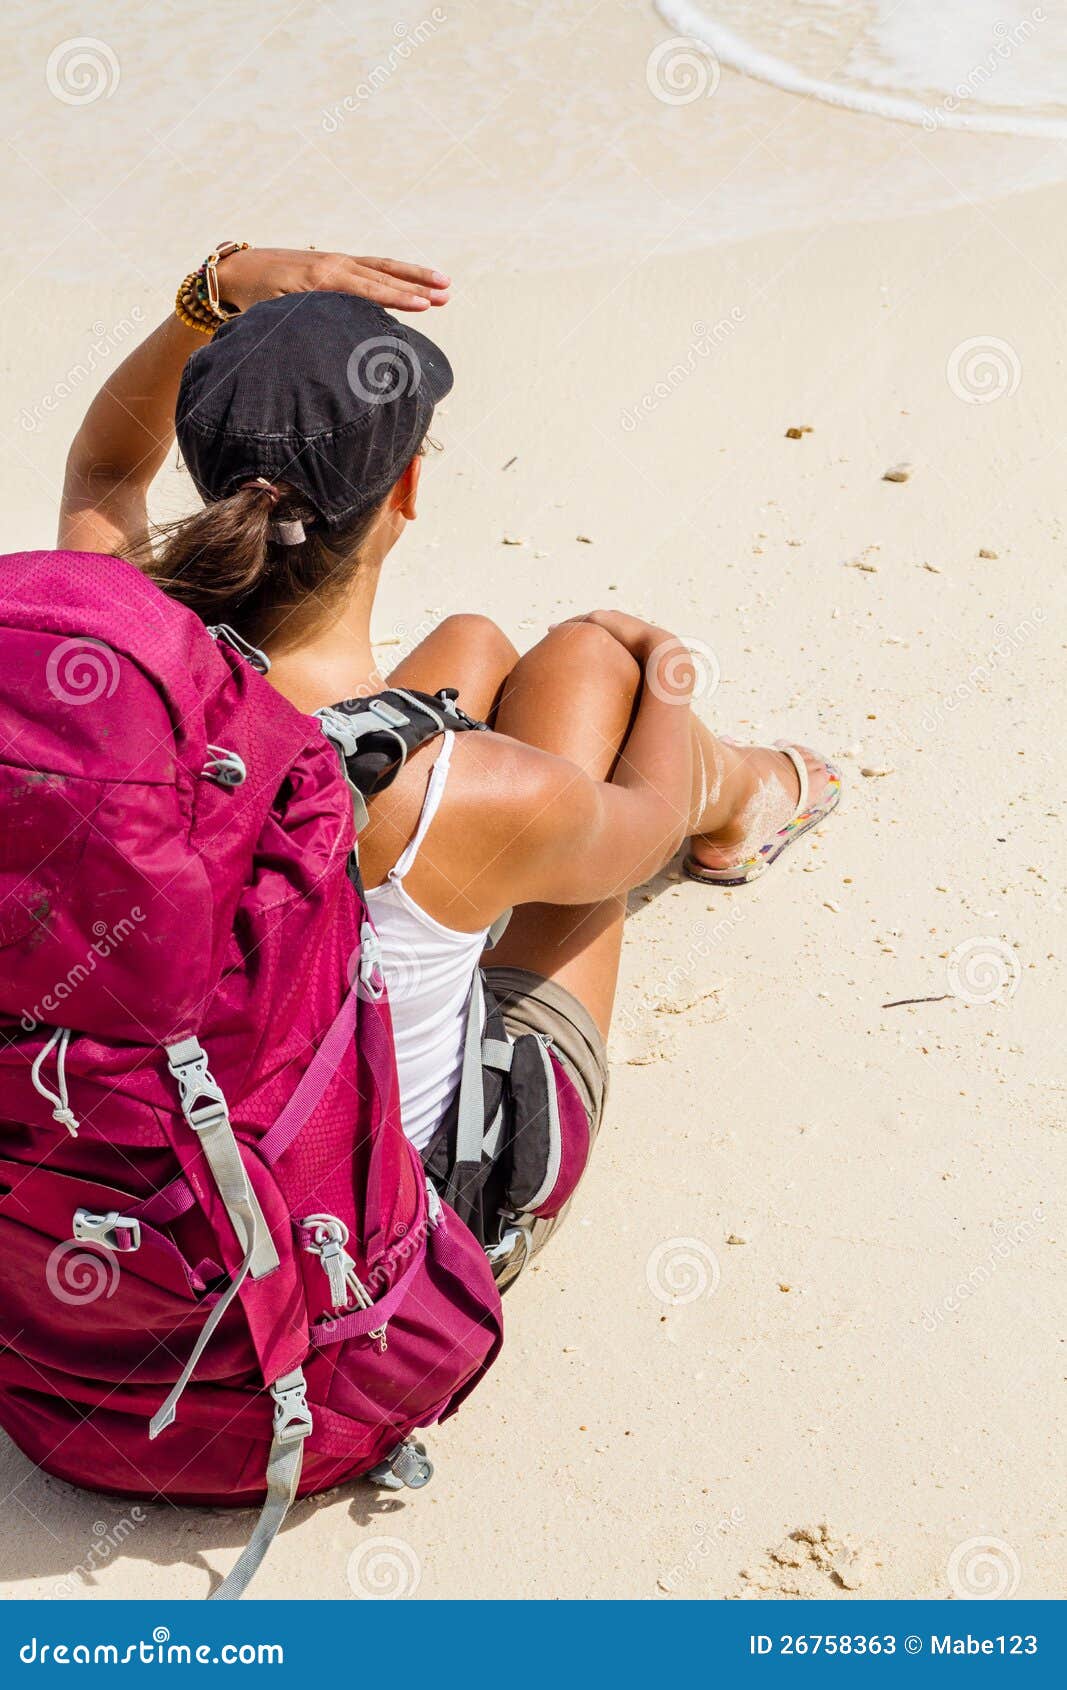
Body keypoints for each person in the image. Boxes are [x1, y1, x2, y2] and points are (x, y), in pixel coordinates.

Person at [60, 242, 840, 1278]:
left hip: (165, 1219)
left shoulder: (113, 651)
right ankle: (746, 798)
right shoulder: (459, 796)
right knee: (588, 665)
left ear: (206, 478)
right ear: (407, 490)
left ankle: (722, 791)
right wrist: (661, 663)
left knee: (472, 642)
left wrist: (211, 291)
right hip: (387, 1244)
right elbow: (638, 822)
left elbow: (107, 468)